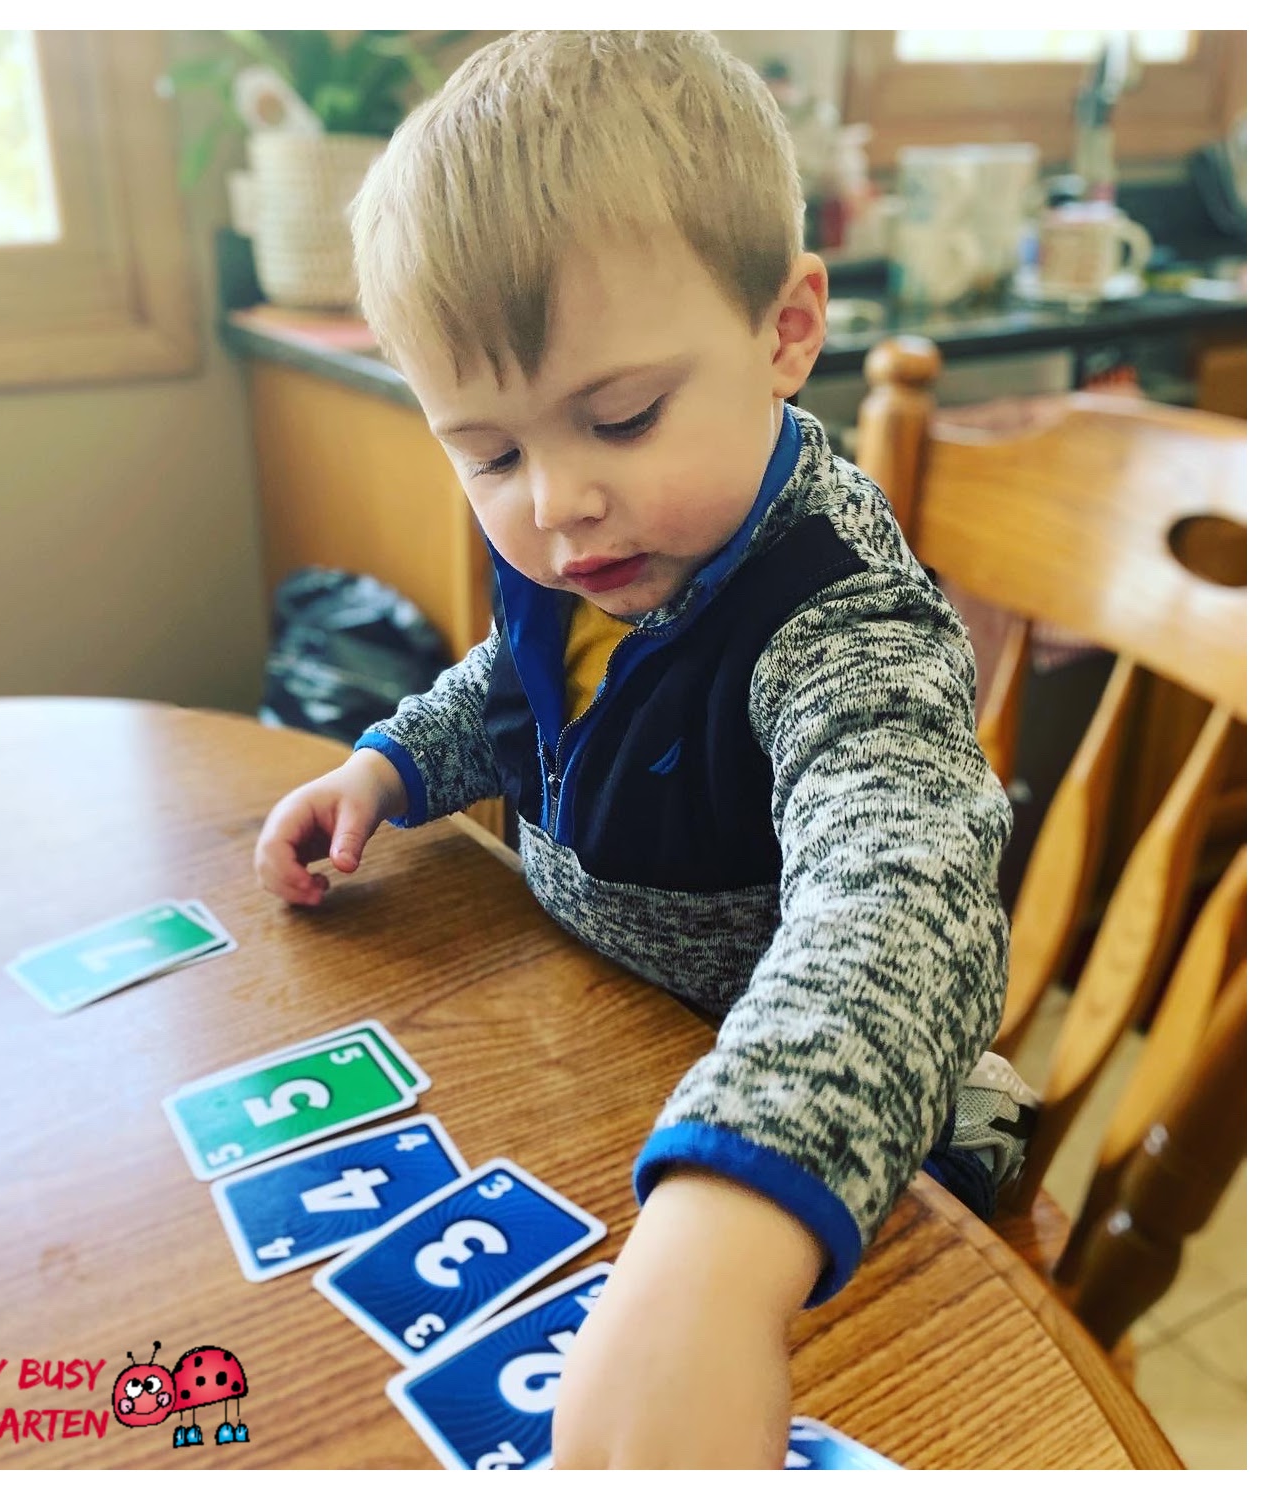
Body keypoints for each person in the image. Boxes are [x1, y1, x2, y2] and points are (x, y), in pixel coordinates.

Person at [254, 30, 1037, 1468]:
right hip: (594, 1031)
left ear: (786, 332)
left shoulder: (841, 619)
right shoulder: (609, 548)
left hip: (808, 1135)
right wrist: (392, 765)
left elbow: (903, 899)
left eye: (621, 418)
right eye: (491, 455)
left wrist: (726, 1244)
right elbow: (519, 686)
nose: (559, 504)